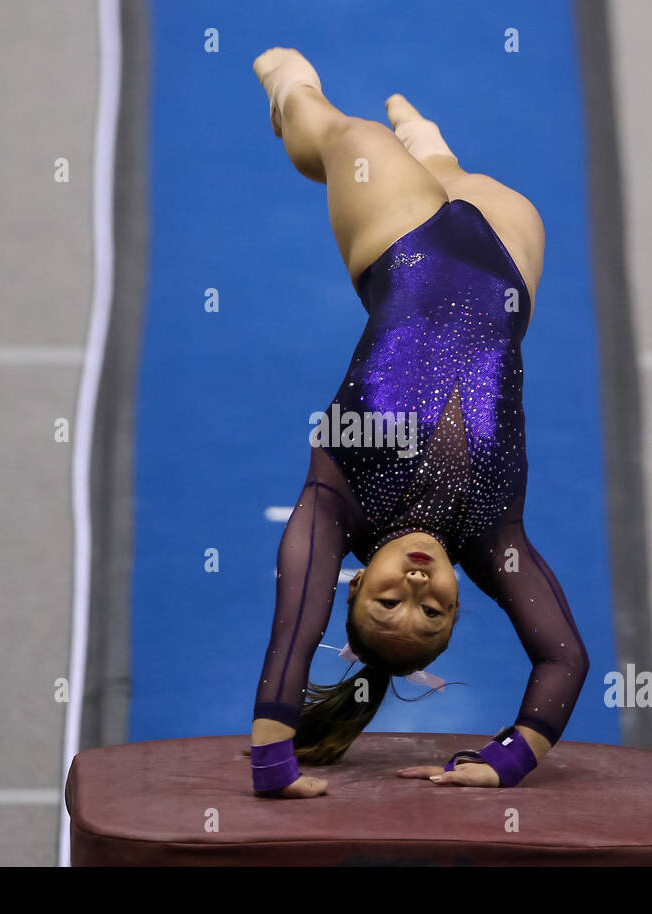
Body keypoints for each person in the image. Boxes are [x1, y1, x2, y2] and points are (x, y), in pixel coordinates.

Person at [249, 48, 588, 797]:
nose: (417, 584)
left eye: (387, 599)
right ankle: (434, 150)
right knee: (463, 180)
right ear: (461, 602)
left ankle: (289, 95)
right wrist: (506, 758)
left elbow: (292, 629)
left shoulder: (333, 506)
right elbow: (564, 657)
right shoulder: (492, 540)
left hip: (401, 244)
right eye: (433, 610)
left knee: (348, 138)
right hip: (505, 265)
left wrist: (273, 762)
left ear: (354, 582)